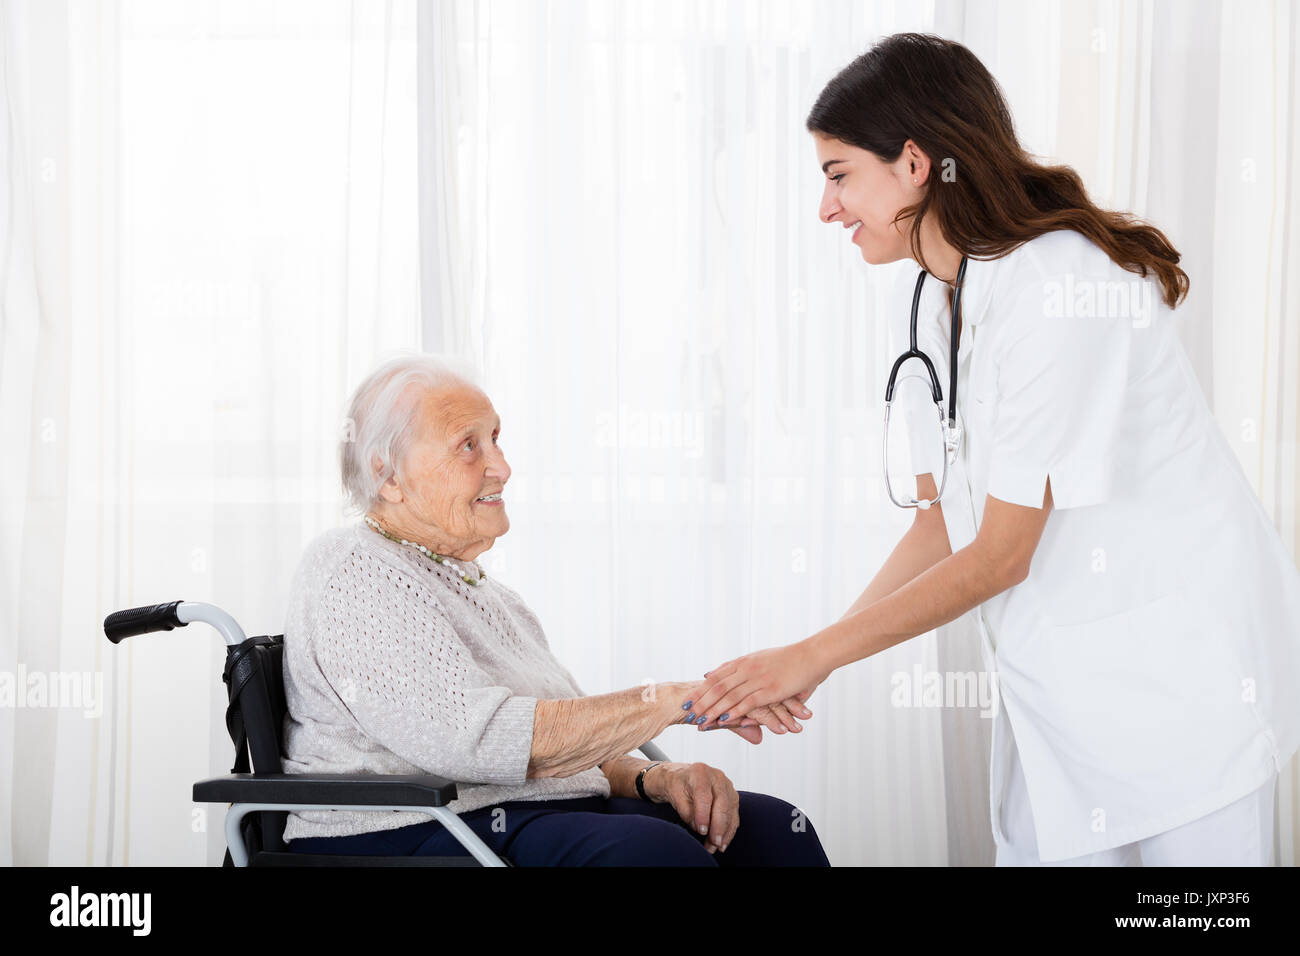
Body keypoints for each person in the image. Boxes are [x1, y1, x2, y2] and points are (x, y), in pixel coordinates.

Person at [685, 32, 1300, 866]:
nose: (826, 209)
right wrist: (812, 662)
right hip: (1069, 695)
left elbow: (1002, 553)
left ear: (912, 163)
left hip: (1179, 685)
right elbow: (944, 523)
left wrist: (808, 657)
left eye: (837, 176)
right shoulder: (946, 300)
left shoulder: (1057, 286)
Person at [279, 353, 830, 866]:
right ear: (388, 476)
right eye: (468, 445)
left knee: (775, 831)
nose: (502, 465)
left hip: (519, 811)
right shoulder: (353, 570)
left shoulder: (489, 595)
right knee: (652, 855)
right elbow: (481, 743)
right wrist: (672, 700)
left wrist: (657, 777)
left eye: (495, 438)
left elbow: (562, 753)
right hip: (404, 829)